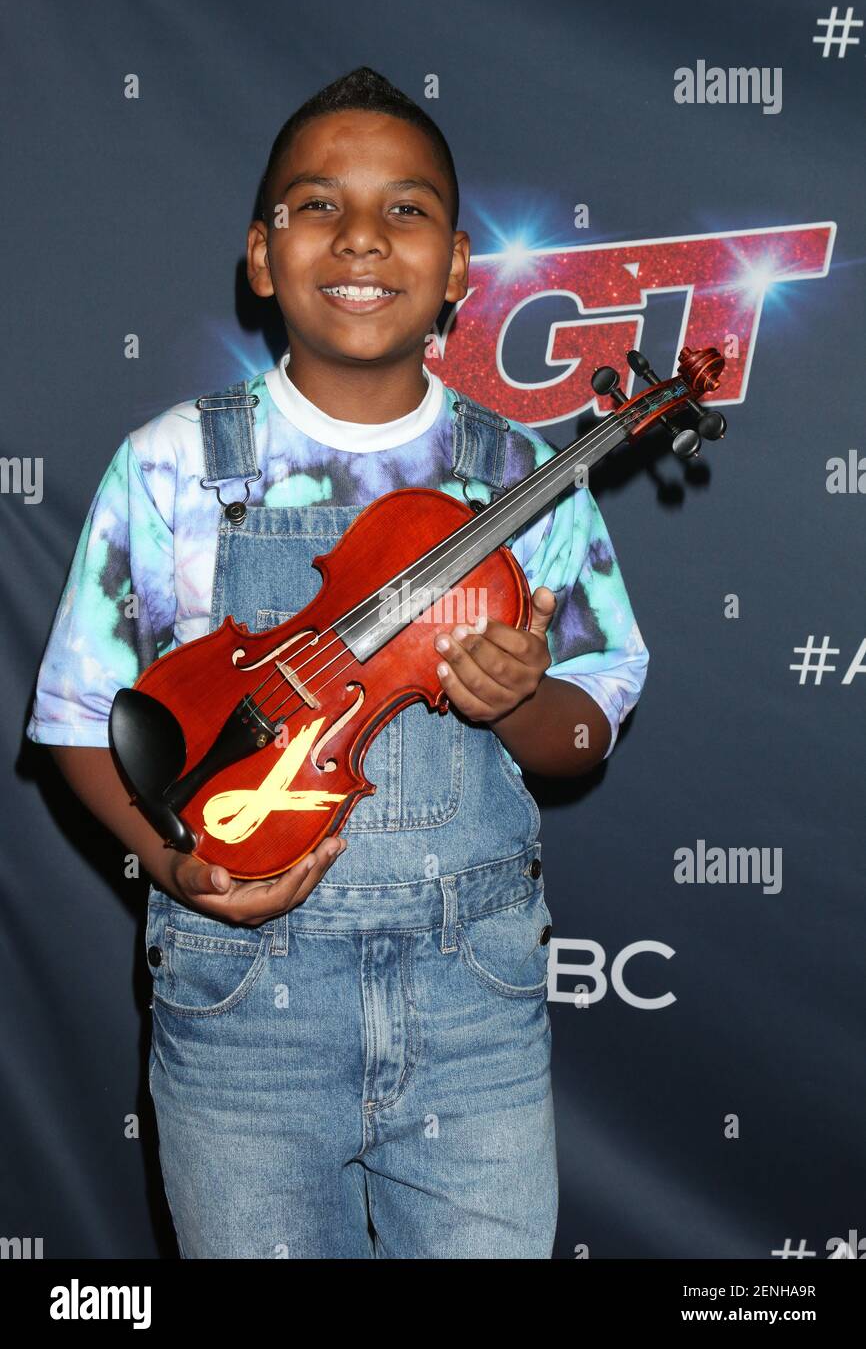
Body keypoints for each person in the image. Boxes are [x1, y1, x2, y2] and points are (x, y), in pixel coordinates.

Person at [26, 66, 649, 1259]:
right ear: (261, 255)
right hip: (237, 1000)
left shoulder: (523, 480)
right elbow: (72, 718)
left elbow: (586, 733)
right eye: (316, 205)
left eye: (404, 210)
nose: (361, 236)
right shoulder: (170, 464)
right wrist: (174, 864)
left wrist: (517, 702)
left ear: (459, 268)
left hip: (475, 1004)